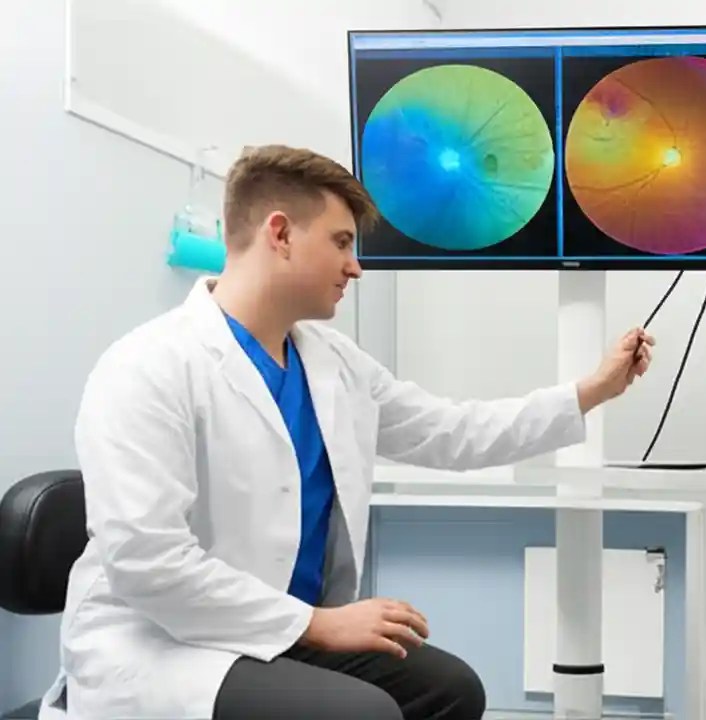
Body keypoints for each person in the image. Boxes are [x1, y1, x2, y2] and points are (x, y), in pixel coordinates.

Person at [37, 144, 655, 720]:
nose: (355, 267)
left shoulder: (334, 364)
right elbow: (149, 564)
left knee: (452, 692)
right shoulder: (148, 366)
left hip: (279, 628)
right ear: (279, 234)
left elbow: (453, 431)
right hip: (163, 643)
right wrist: (317, 623)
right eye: (340, 242)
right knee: (362, 714)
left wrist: (593, 390)